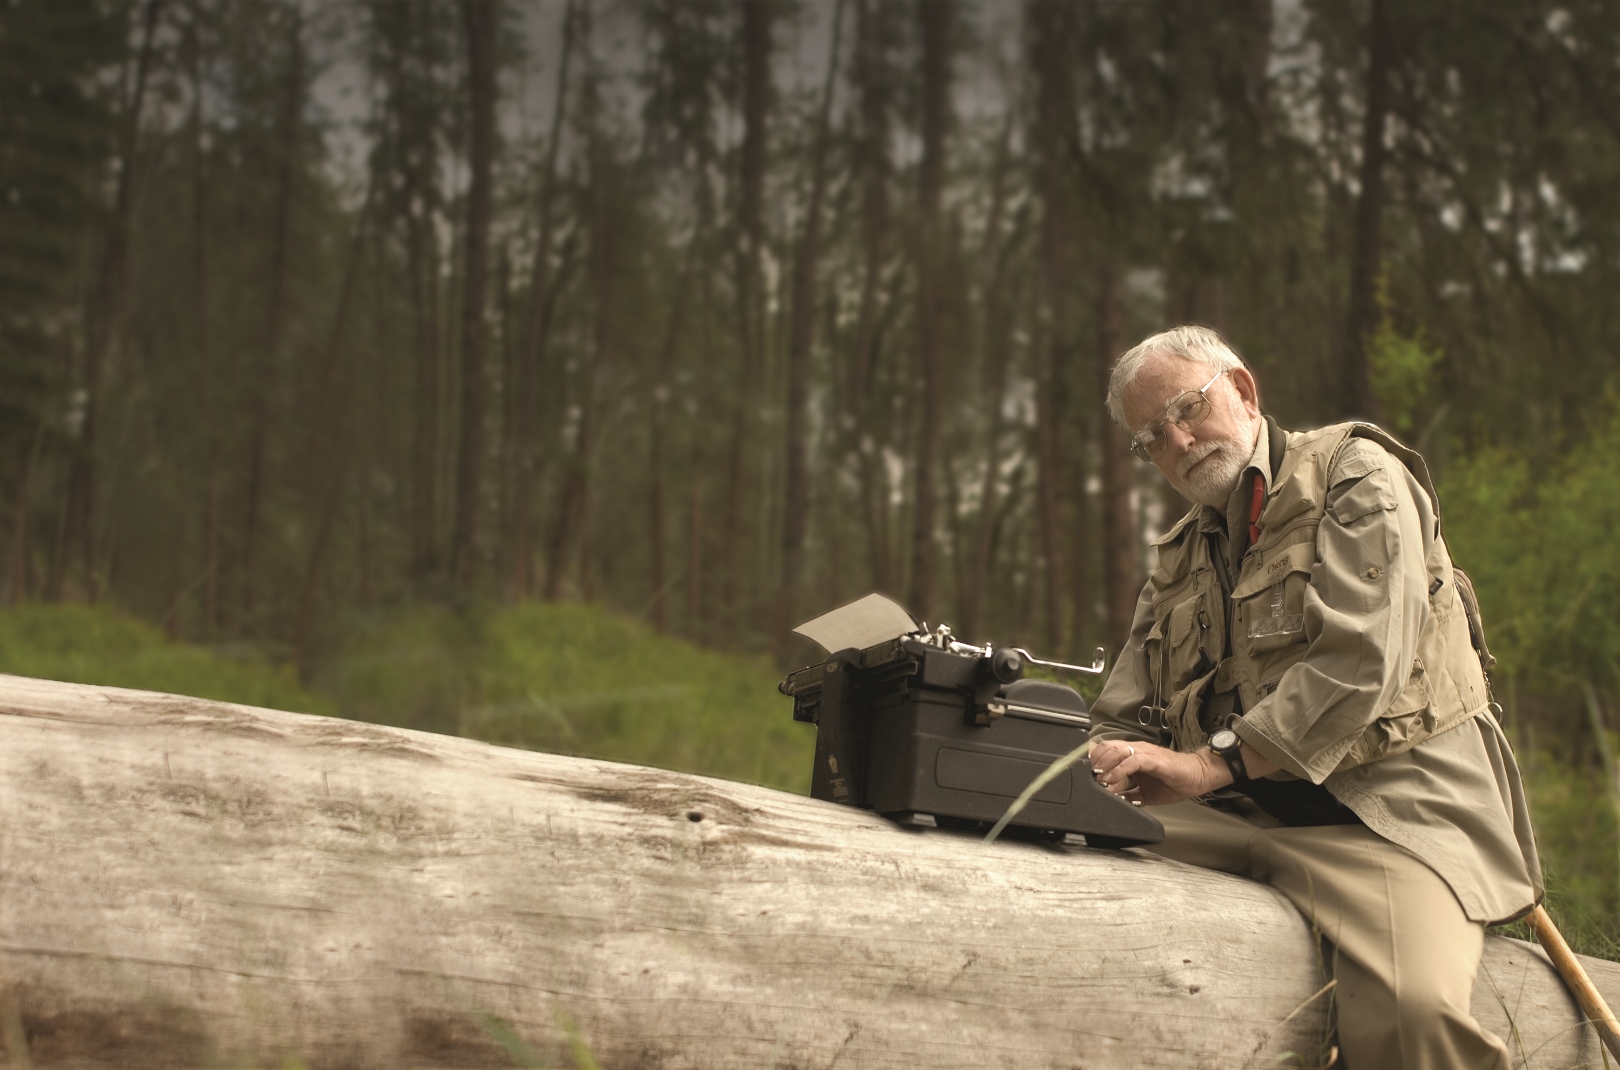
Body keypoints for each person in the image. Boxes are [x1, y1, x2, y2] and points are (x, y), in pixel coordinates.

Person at [1086, 325, 1541, 1069]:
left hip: (1388, 818)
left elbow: (1360, 666)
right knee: (1057, 857)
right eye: (1152, 436)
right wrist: (1096, 762)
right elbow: (1122, 713)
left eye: (1189, 406)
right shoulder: (1177, 558)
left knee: (1412, 1017)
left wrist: (1205, 768)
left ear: (1243, 391)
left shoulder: (1355, 475)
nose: (1179, 439)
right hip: (1238, 816)